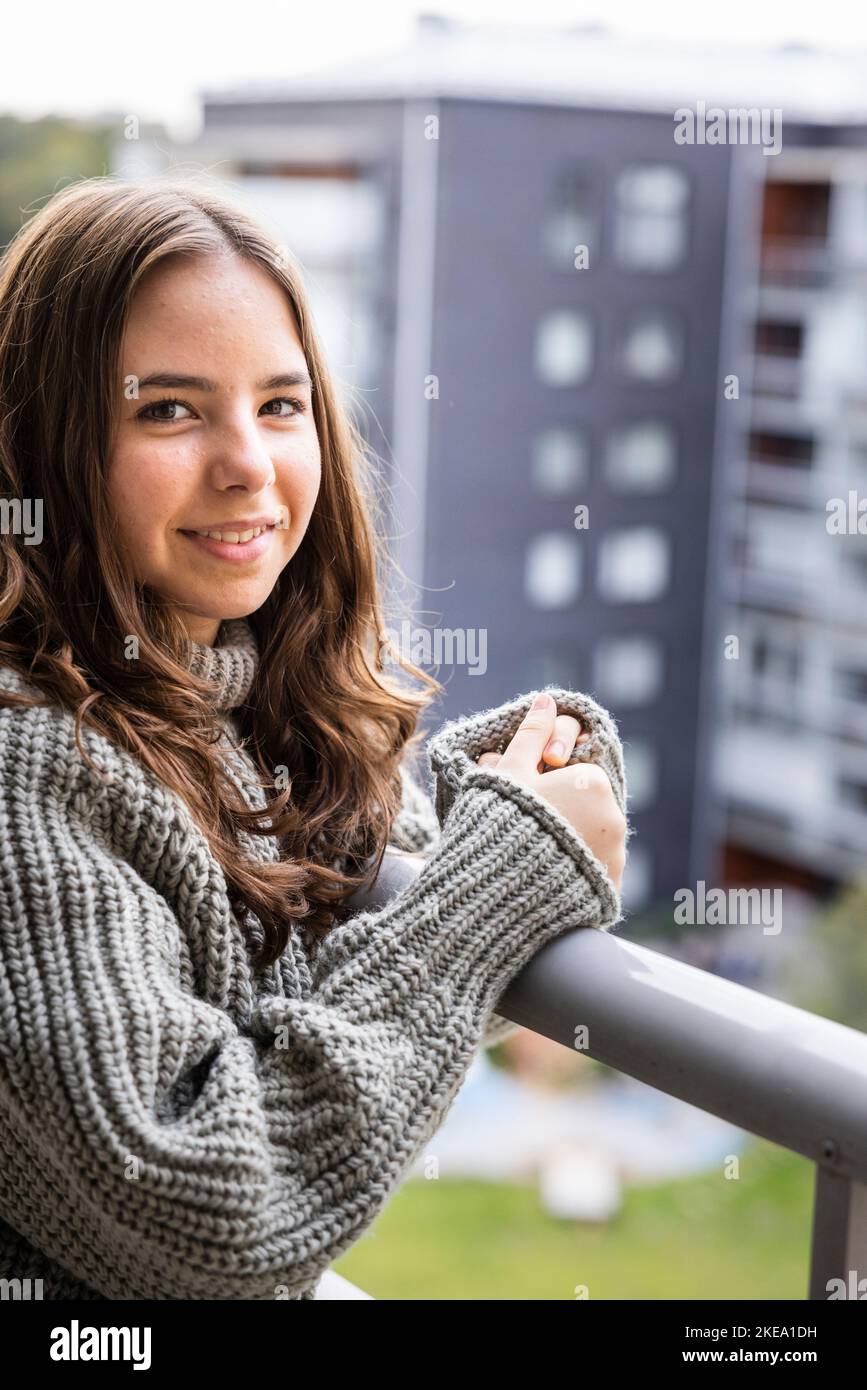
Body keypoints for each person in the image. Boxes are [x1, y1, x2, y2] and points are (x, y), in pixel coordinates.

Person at [0, 174, 630, 1301]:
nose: (249, 462)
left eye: (281, 405)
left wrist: (503, 795)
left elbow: (363, 994)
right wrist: (502, 881)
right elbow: (213, 1212)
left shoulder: (213, 698)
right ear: (41, 442)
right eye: (168, 409)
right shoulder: (30, 763)